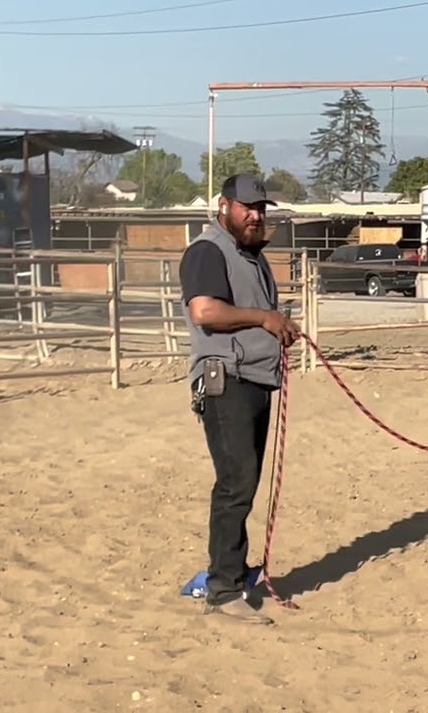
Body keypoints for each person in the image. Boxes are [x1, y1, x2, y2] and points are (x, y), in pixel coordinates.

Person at [180, 173, 299, 625]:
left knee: (244, 483)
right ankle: (223, 590)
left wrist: (275, 327)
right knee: (236, 483)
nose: (256, 215)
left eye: (261, 208)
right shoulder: (208, 251)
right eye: (247, 207)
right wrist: (265, 319)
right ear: (224, 206)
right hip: (224, 379)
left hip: (254, 379)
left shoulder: (251, 257)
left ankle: (230, 572)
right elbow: (205, 311)